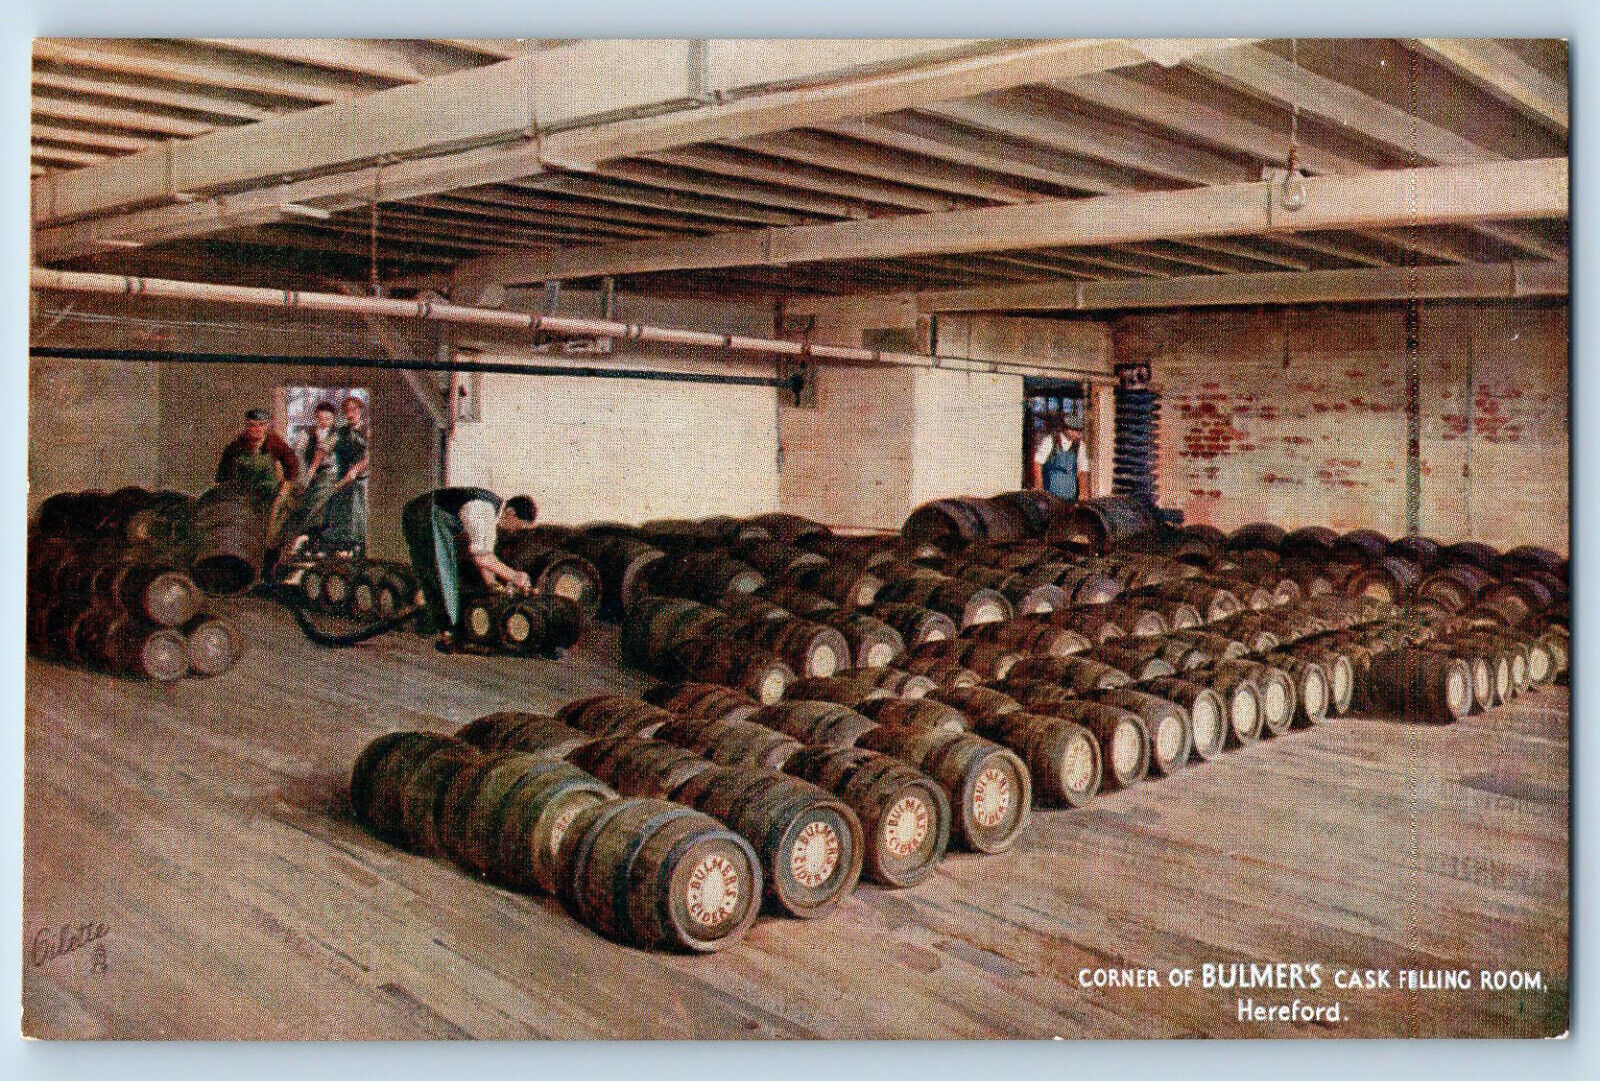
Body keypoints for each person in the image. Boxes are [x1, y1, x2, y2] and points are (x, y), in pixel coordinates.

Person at [401, 487, 539, 641]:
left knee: (445, 574)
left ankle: (436, 623)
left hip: (434, 516)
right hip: (423, 513)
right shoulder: (484, 510)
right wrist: (514, 576)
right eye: (518, 527)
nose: (514, 531)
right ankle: (443, 630)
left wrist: (492, 585)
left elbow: (485, 556)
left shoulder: (492, 515)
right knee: (443, 573)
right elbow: (481, 558)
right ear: (510, 513)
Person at [216, 408, 299, 509]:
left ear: (267, 426)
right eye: (253, 425)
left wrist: (284, 489)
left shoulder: (274, 442)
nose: (257, 429)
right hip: (242, 497)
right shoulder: (237, 445)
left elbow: (292, 465)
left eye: (261, 425)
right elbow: (222, 475)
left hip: (269, 494)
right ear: (247, 426)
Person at [323, 396, 371, 552]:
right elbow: (325, 448)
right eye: (346, 411)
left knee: (358, 509)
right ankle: (343, 545)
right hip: (343, 478)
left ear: (360, 410)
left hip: (362, 478)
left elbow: (370, 456)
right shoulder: (341, 431)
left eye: (353, 410)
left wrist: (356, 470)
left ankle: (359, 544)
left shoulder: (367, 430)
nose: (350, 414)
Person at [1033, 417, 1089, 502]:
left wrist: (1083, 492)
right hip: (1050, 495)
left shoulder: (1080, 445)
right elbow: (1037, 463)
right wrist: (1039, 487)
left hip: (1071, 495)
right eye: (1075, 430)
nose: (1078, 434)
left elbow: (1083, 470)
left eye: (1079, 431)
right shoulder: (1050, 440)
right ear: (1067, 429)